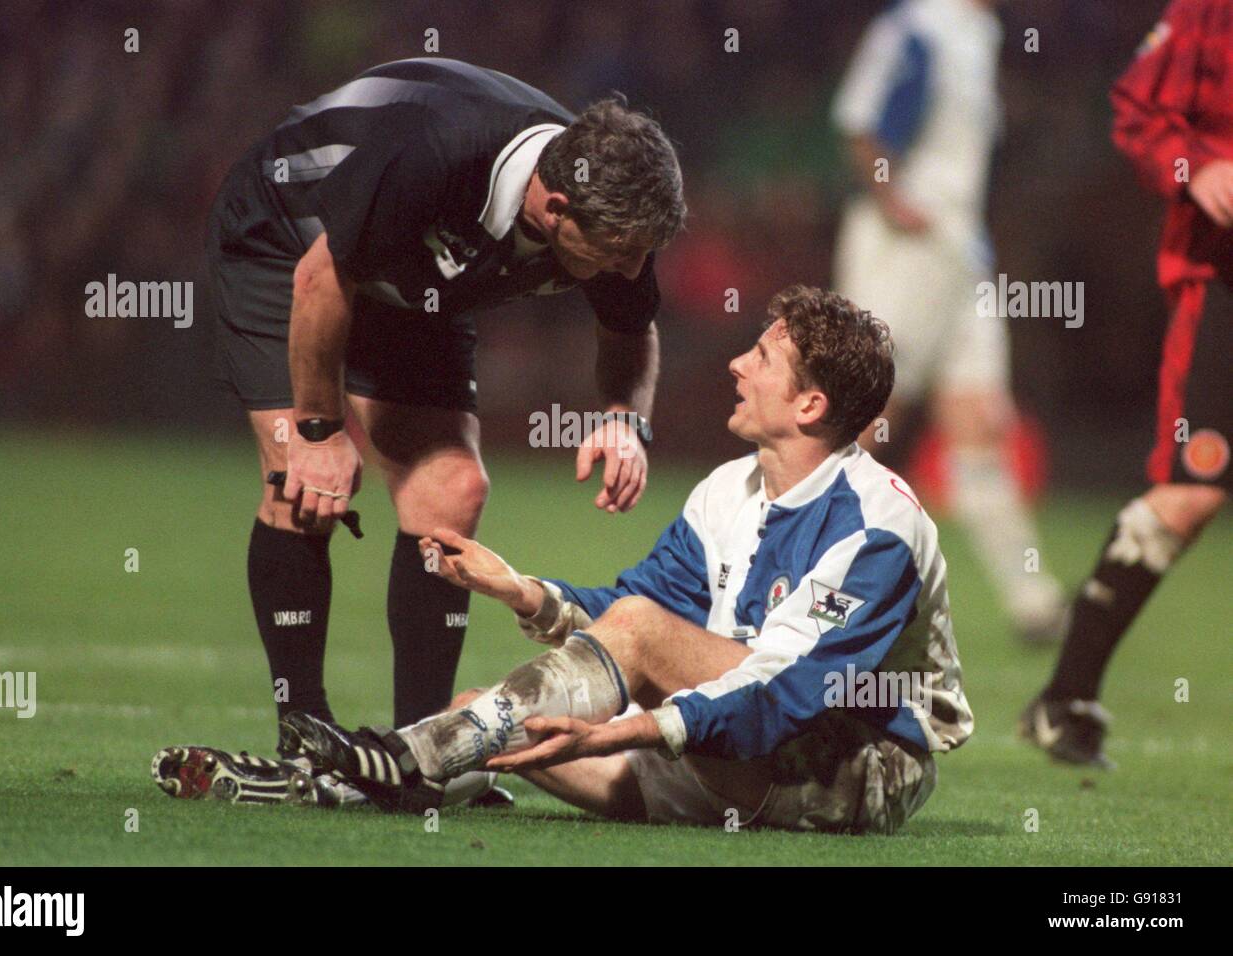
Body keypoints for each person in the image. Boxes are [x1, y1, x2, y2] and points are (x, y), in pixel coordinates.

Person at [252, 285, 973, 834]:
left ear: (810, 406)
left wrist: (626, 729)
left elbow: (787, 691)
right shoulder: (730, 488)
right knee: (484, 715)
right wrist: (525, 592)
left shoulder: (879, 527)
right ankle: (350, 782)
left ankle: (401, 756)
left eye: (760, 358)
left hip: (852, 764)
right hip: (725, 738)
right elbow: (643, 610)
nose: (736, 363)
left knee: (599, 662)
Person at [203, 57, 685, 768]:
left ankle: (419, 750)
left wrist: (624, 418)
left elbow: (629, 327)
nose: (629, 271)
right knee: (309, 485)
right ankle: (302, 723)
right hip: (287, 244)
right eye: (617, 255)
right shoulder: (429, 156)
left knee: (454, 488)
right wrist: (318, 430)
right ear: (553, 209)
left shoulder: (610, 220)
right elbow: (321, 277)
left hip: (419, 281)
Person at [1021, 0, 1231, 767]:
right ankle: (1066, 695)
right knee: (1190, 491)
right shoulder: (1209, 14)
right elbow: (1138, 110)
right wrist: (1196, 165)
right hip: (1225, 285)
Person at [830, 0, 1068, 644]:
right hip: (903, 247)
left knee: (981, 418)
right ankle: (783, 572)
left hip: (959, 250)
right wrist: (893, 201)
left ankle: (1033, 600)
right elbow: (859, 117)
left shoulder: (979, 32)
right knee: (871, 413)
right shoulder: (915, 25)